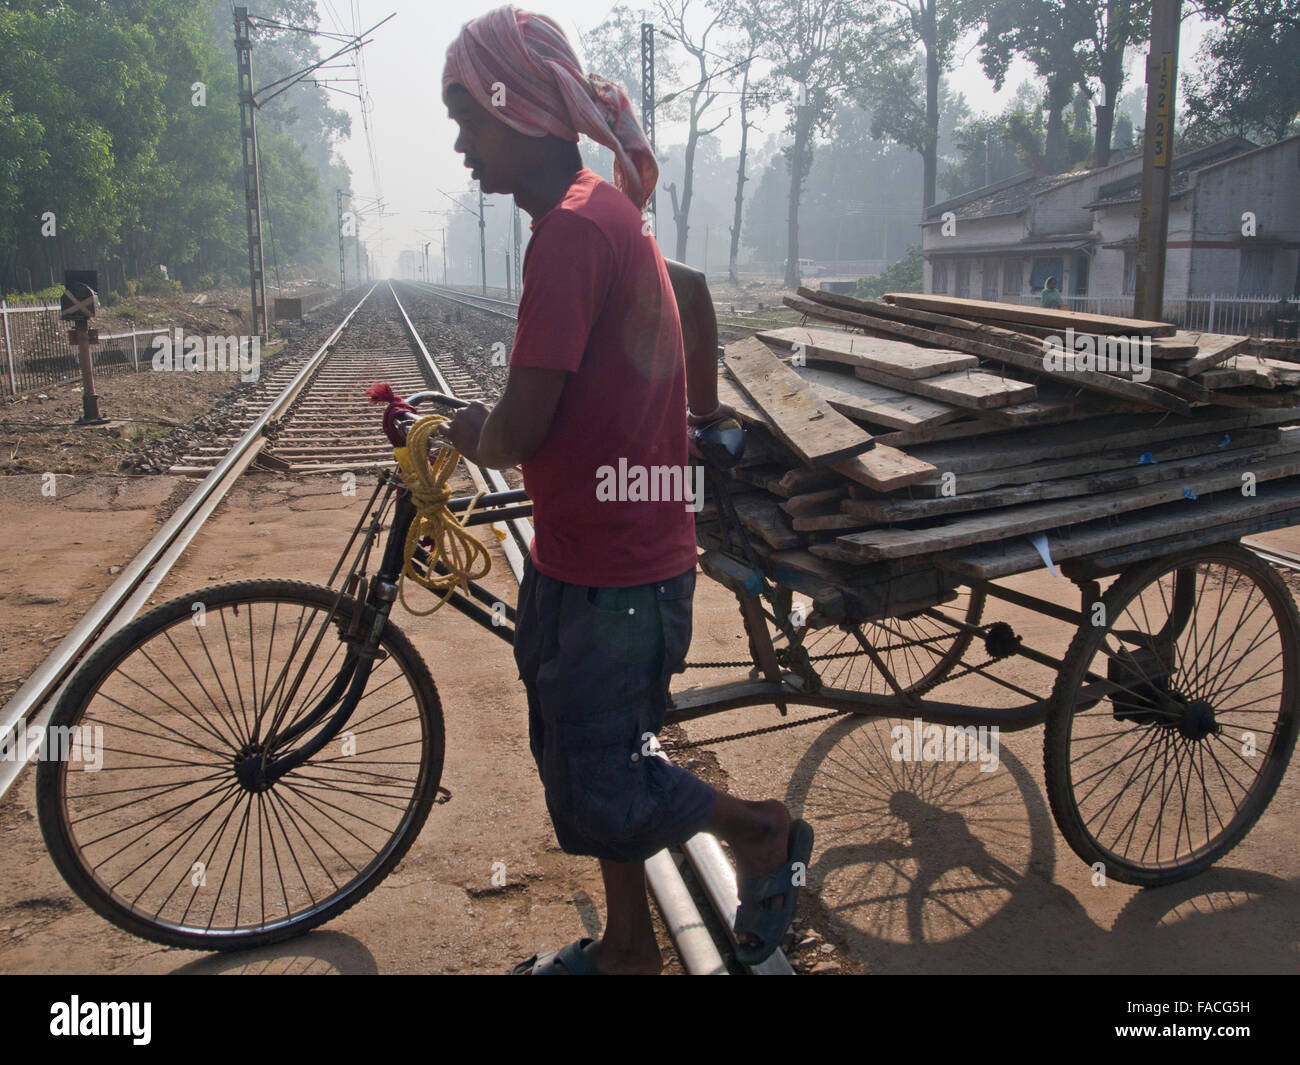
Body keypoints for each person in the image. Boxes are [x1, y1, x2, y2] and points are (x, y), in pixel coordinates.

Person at [436, 5, 812, 975]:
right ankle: (630, 949)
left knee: (605, 773)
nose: (461, 144)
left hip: (618, 577)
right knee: (577, 753)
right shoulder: (603, 210)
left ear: (516, 111)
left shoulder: (567, 234)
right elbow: (684, 294)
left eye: (467, 117)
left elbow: (518, 430)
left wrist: (467, 430)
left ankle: (761, 830)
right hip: (592, 558)